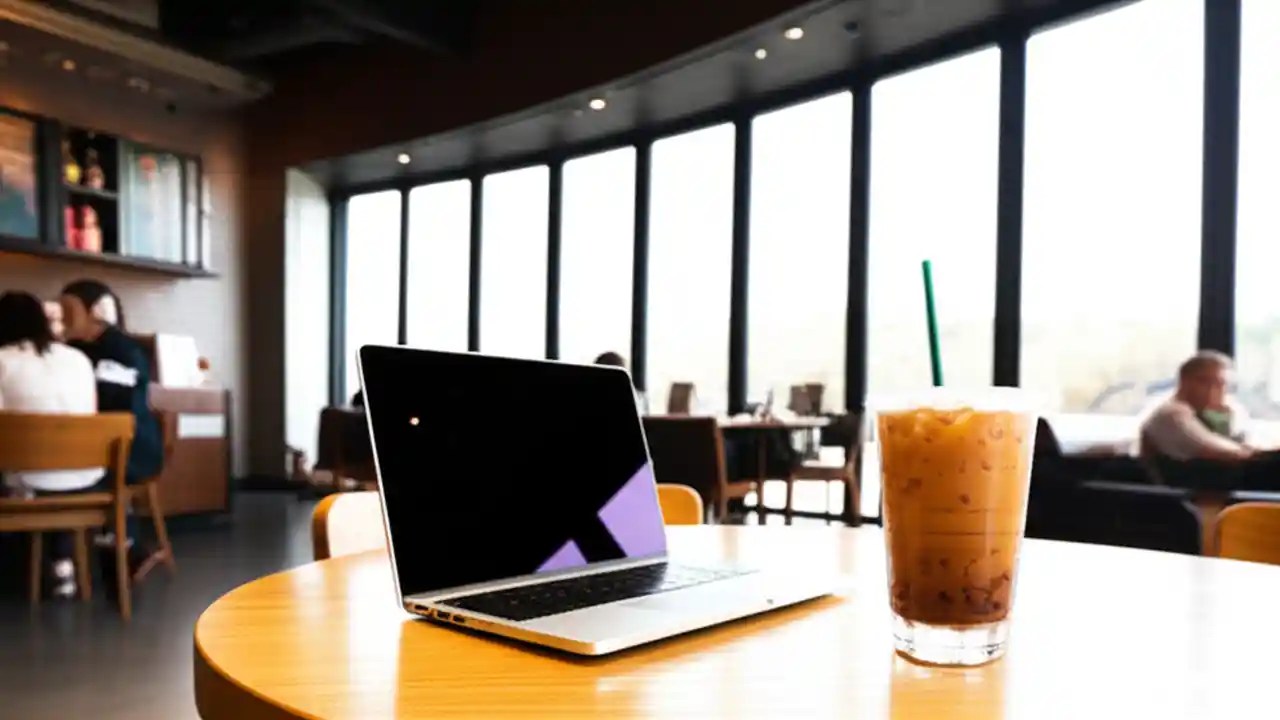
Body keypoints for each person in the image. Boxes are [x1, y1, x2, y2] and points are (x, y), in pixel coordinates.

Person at [60, 279, 164, 583]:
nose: (63, 317)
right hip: (99, 444)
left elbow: (110, 409)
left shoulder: (121, 351)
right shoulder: (76, 350)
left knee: (75, 473)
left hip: (131, 448)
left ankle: (123, 548)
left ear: (97, 312)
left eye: (70, 309)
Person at [0, 292, 99, 598]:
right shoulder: (79, 359)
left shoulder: (3, 359)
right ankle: (61, 561)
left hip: (29, 481)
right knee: (44, 467)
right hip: (86, 477)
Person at [1140, 351, 1253, 463]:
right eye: (1207, 382)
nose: (1217, 391)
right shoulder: (1173, 414)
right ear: (1185, 382)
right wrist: (1249, 451)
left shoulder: (1195, 414)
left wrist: (1223, 423)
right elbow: (1220, 452)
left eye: (1221, 384)